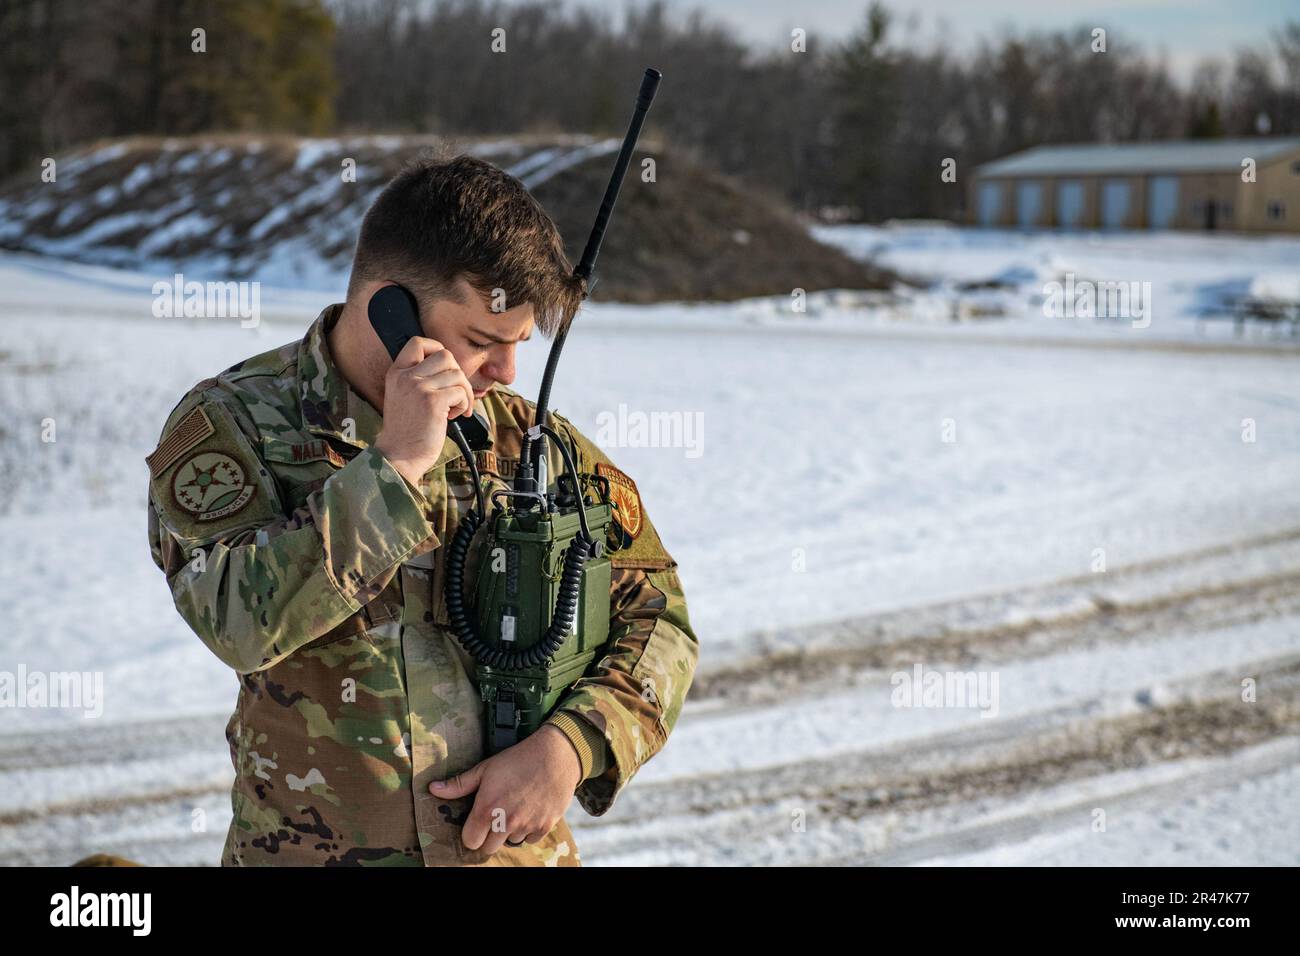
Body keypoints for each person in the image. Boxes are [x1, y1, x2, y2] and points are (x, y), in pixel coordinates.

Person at [145, 155, 699, 866]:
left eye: (517, 347)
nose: (505, 375)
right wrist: (396, 467)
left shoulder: (524, 439)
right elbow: (234, 622)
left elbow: (659, 613)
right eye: (481, 342)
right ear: (390, 310)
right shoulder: (234, 425)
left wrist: (571, 748)